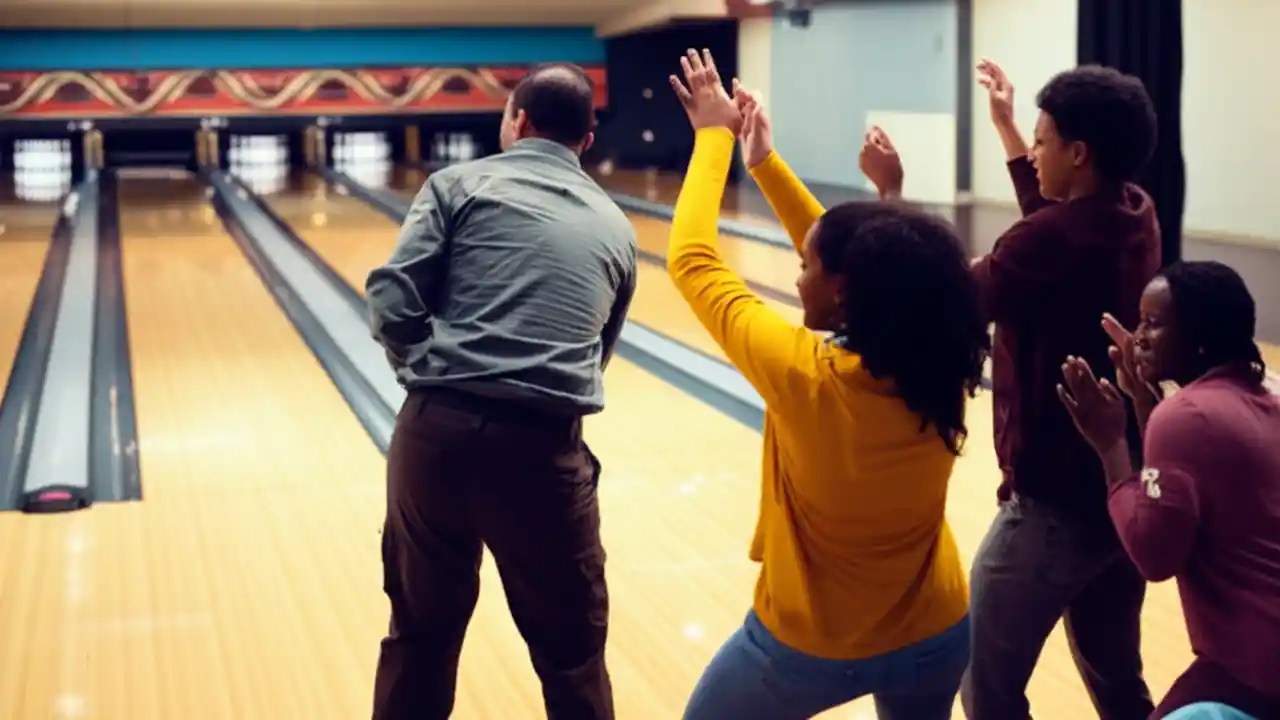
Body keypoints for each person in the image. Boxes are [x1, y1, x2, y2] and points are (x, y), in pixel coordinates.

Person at [667, 49, 989, 719]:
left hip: (807, 646)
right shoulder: (938, 354)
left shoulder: (803, 376)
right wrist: (765, 164)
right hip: (936, 630)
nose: (796, 274)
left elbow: (693, 259)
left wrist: (713, 138)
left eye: (806, 265)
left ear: (843, 292)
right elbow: (881, 263)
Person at [859, 60, 1162, 719]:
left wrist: (892, 196)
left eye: (1041, 138)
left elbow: (948, 295)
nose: (1034, 147)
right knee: (1117, 680)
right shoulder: (1136, 211)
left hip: (1052, 505)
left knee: (985, 685)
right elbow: (1056, 229)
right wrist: (1004, 128)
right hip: (1118, 483)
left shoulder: (1046, 240)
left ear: (1078, 154)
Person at [365, 63, 637, 720]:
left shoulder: (457, 183)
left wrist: (432, 373)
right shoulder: (618, 229)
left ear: (517, 120)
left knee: (421, 639)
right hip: (542, 454)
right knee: (573, 659)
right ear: (588, 138)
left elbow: (390, 301)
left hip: (436, 440)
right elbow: (596, 353)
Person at [1058, 261, 1280, 720]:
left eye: (1153, 324)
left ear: (1200, 335)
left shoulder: (1183, 417)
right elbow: (1185, 482)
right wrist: (1144, 401)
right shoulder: (1265, 395)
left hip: (1255, 665)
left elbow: (1153, 555)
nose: (1137, 336)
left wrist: (1111, 445)